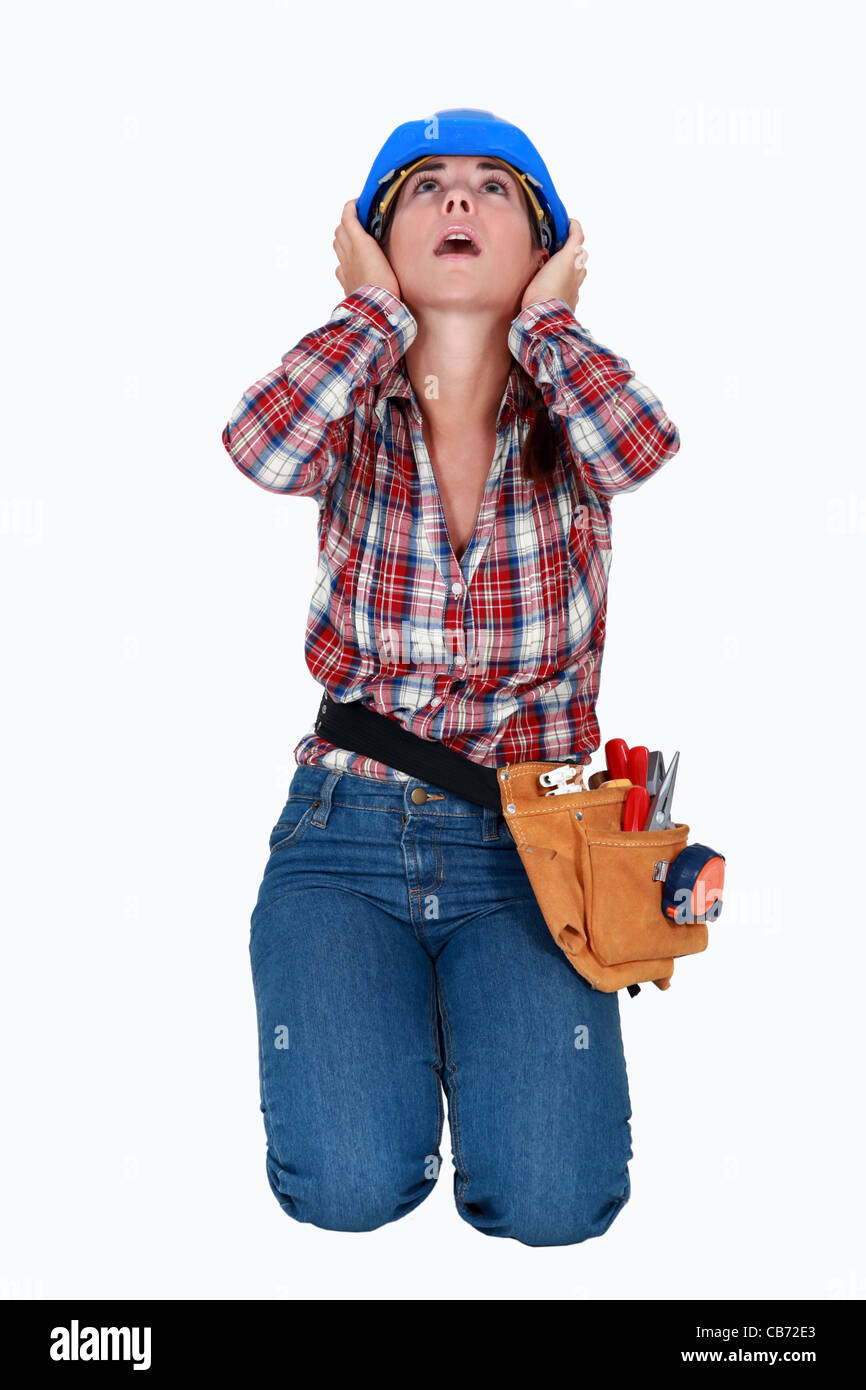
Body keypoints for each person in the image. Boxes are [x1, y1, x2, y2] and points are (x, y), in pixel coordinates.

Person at [221, 110, 681, 1247]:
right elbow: (256, 447)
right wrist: (370, 313)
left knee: (556, 1204)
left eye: (494, 189)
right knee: (343, 1191)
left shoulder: (570, 411)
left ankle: (463, 1010)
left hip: (528, 844)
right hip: (344, 831)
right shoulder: (348, 406)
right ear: (376, 242)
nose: (458, 203)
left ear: (543, 244)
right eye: (423, 188)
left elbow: (642, 447)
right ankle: (387, 1017)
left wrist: (549, 325)